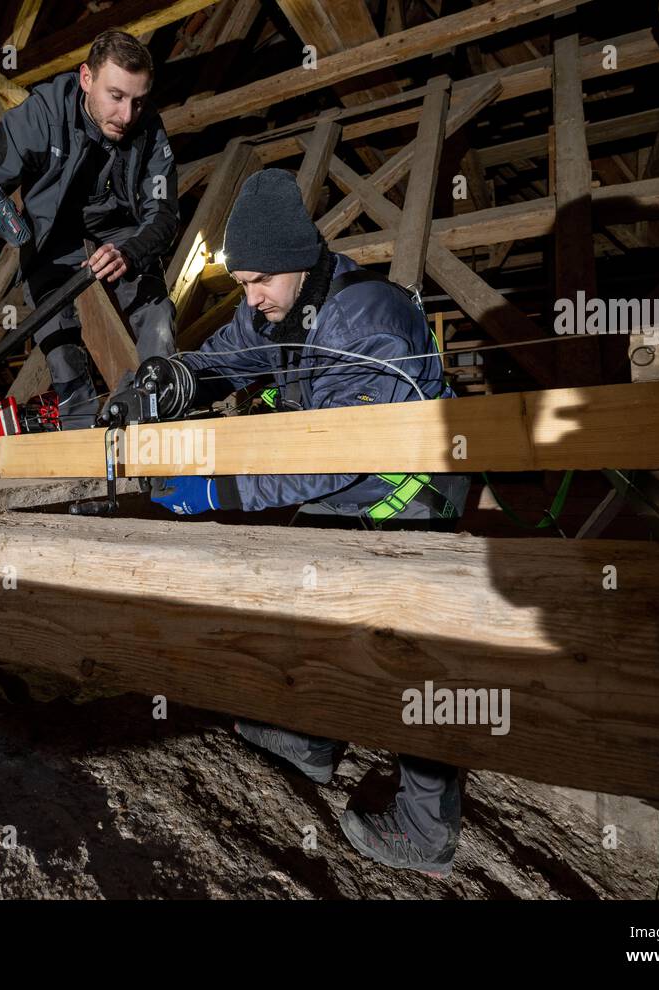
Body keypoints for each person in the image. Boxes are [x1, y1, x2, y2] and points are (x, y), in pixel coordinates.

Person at [147, 167, 470, 877]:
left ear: (297, 262)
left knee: (406, 647)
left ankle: (427, 828)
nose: (250, 295)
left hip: (403, 492)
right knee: (306, 599)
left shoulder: (368, 320)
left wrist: (217, 490)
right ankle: (309, 736)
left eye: (259, 279)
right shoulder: (276, 308)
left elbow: (331, 457)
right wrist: (176, 379)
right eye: (243, 282)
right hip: (350, 487)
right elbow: (232, 356)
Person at [0, 29, 179, 429]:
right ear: (86, 78)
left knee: (155, 309)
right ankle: (79, 426)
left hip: (120, 231)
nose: (126, 116)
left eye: (138, 101)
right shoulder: (41, 115)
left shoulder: (149, 129)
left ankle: (158, 407)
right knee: (56, 335)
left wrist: (132, 252)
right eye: (116, 96)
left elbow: (163, 215)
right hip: (51, 234)